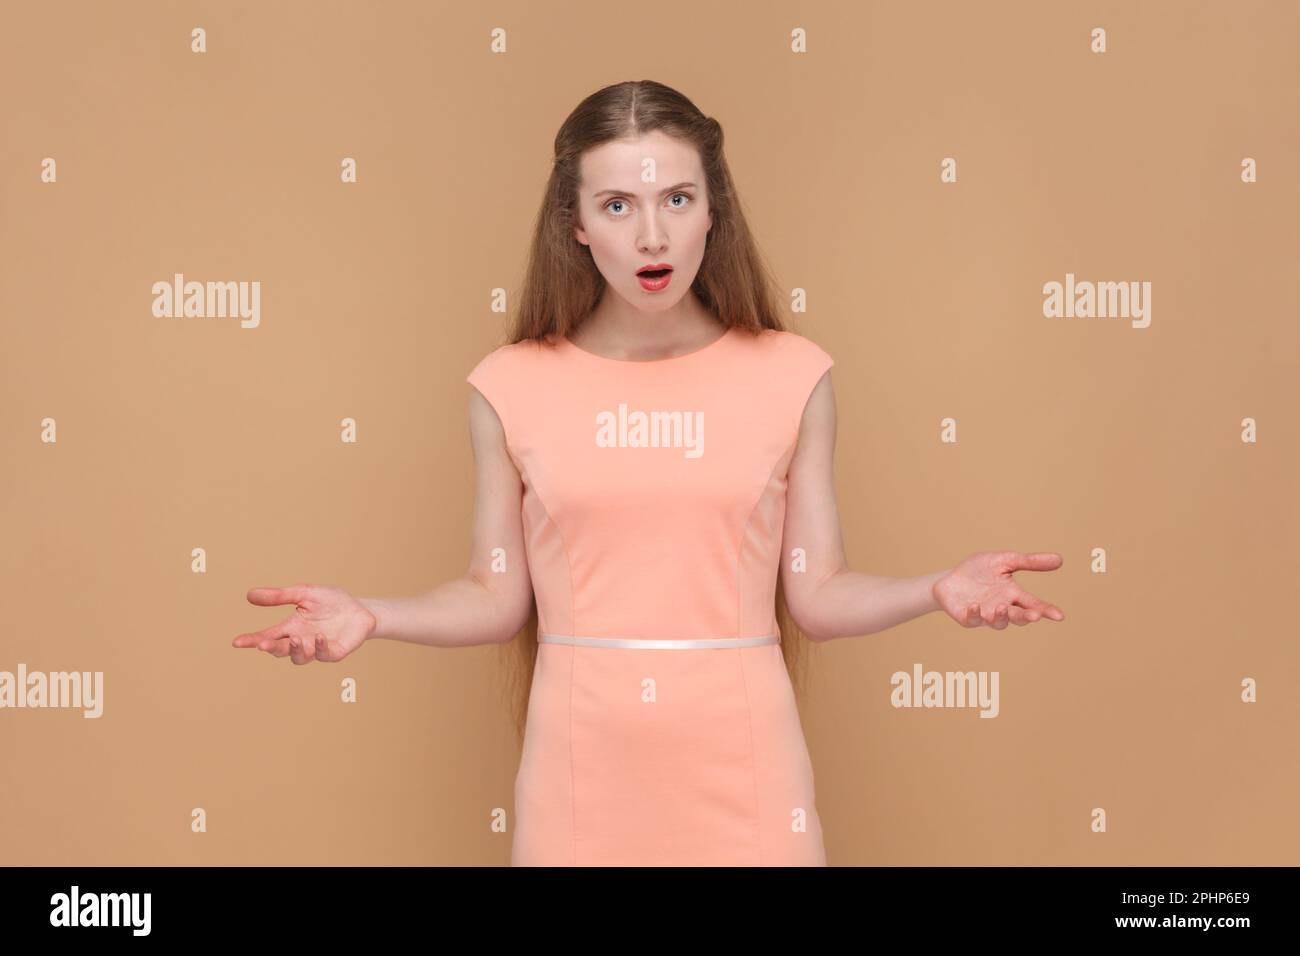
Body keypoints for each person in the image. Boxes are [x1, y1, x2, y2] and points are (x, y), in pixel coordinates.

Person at [232, 80, 1065, 866]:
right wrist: (371, 615)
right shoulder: (510, 385)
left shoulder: (792, 374)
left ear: (713, 213)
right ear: (578, 225)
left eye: (677, 199)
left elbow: (818, 594)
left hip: (748, 774)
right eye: (619, 206)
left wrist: (937, 589)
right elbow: (494, 596)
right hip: (579, 777)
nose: (654, 236)